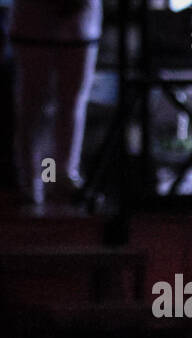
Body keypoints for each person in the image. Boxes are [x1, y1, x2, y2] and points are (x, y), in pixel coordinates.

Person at [10, 0, 102, 207]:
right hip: (36, 25)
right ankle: (38, 179)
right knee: (36, 107)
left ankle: (60, 175)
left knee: (69, 105)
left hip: (79, 25)